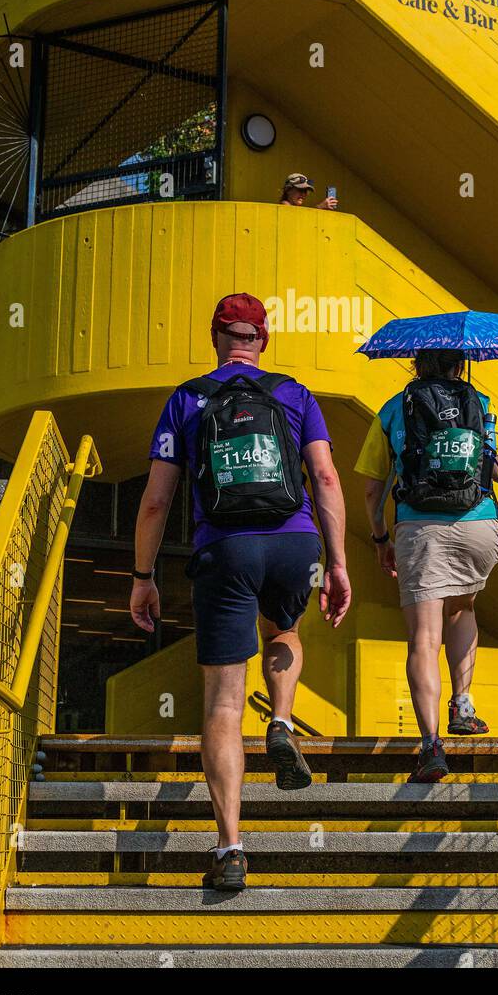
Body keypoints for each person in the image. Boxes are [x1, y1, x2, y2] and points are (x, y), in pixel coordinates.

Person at [130, 292, 351, 891]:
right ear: (263, 339)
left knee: (224, 704)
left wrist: (144, 577)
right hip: (294, 543)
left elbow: (155, 501)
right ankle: (280, 720)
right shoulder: (295, 394)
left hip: (225, 548)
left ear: (216, 338)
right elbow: (325, 477)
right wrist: (337, 563)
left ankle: (230, 848)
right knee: (285, 631)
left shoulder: (188, 398)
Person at [355, 349, 498, 783]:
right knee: (462, 608)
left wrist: (380, 538)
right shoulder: (483, 404)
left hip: (420, 527)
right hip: (478, 525)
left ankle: (431, 746)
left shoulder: (395, 408)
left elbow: (372, 489)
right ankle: (463, 706)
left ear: (416, 364)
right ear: (460, 365)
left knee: (424, 640)